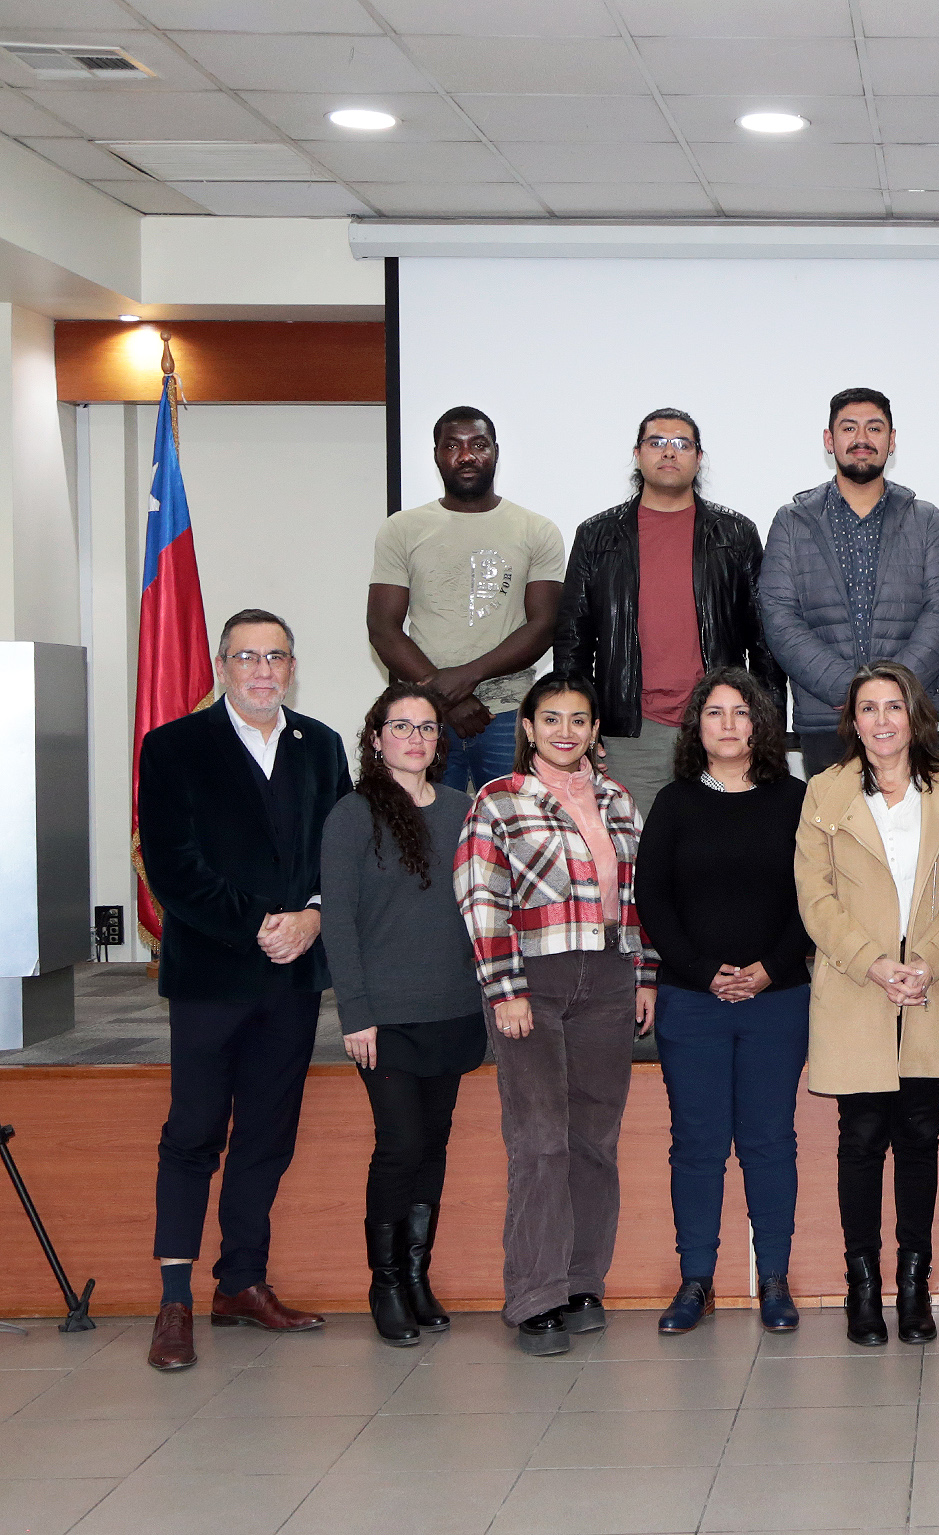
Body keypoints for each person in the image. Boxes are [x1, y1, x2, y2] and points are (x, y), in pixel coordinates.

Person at [136, 609, 352, 1371]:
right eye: (247, 656)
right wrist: (263, 922)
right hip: (212, 976)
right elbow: (173, 867)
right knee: (193, 1132)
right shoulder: (173, 747)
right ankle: (174, 1300)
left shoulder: (321, 746)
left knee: (267, 1132)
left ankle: (241, 1282)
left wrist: (315, 918)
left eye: (277, 657)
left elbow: (341, 853)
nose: (264, 670)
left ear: (293, 666)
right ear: (224, 665)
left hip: (293, 976)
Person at [454, 672, 657, 1355]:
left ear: (595, 730)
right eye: (552, 719)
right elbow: (481, 899)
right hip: (531, 982)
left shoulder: (621, 802)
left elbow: (638, 900)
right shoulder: (499, 800)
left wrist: (643, 976)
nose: (566, 731)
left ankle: (581, 1281)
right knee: (540, 1140)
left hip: (607, 976)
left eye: (579, 719)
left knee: (594, 1140)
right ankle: (535, 1295)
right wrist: (504, 987)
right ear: (530, 728)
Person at [795, 661, 939, 1345]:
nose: (880, 720)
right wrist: (873, 964)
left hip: (933, 987)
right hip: (855, 988)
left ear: (915, 715)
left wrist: (925, 961)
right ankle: (862, 1288)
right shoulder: (825, 790)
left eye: (892, 706)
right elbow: (814, 897)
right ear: (852, 719)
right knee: (861, 1138)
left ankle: (915, 1283)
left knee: (921, 1136)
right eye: (867, 708)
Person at [634, 667, 812, 1336]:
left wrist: (769, 968)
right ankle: (696, 1280)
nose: (730, 724)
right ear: (696, 727)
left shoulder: (796, 799)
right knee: (698, 1144)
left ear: (761, 724)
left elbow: (815, 897)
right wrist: (705, 970)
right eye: (715, 712)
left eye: (742, 712)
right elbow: (652, 900)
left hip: (779, 998)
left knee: (770, 1140)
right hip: (693, 1000)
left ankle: (773, 1280)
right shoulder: (675, 803)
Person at [322, 682, 485, 1345]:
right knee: (400, 1146)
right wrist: (354, 1013)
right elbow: (338, 921)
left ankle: (417, 1274)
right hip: (384, 1018)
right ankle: (385, 1281)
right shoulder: (352, 815)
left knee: (434, 1147)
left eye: (427, 728)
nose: (416, 738)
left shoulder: (461, 808)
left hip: (452, 1008)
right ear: (375, 737)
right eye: (402, 726)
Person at [552, 407, 780, 811]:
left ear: (699, 457)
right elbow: (574, 638)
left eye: (681, 444)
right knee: (639, 857)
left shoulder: (735, 533)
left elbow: (763, 636)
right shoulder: (597, 535)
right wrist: (579, 725)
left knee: (718, 852)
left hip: (718, 726)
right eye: (657, 442)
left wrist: (767, 719)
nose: (669, 453)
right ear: (637, 454)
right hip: (633, 733)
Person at [759, 388, 939, 778]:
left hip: (911, 717)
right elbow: (780, 619)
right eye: (849, 428)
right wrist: (853, 695)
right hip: (828, 717)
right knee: (835, 833)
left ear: (891, 440)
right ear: (829, 439)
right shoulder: (792, 521)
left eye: (874, 428)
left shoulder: (926, 520)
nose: (862, 439)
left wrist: (890, 699)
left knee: (914, 833)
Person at [368, 407, 567, 792]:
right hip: (423, 717)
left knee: (512, 833)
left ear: (495, 451)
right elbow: (382, 628)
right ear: (437, 454)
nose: (466, 455)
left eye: (478, 444)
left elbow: (543, 626)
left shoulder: (536, 529)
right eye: (453, 446)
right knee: (427, 836)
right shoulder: (402, 529)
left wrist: (465, 679)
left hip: (508, 714)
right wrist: (445, 697)